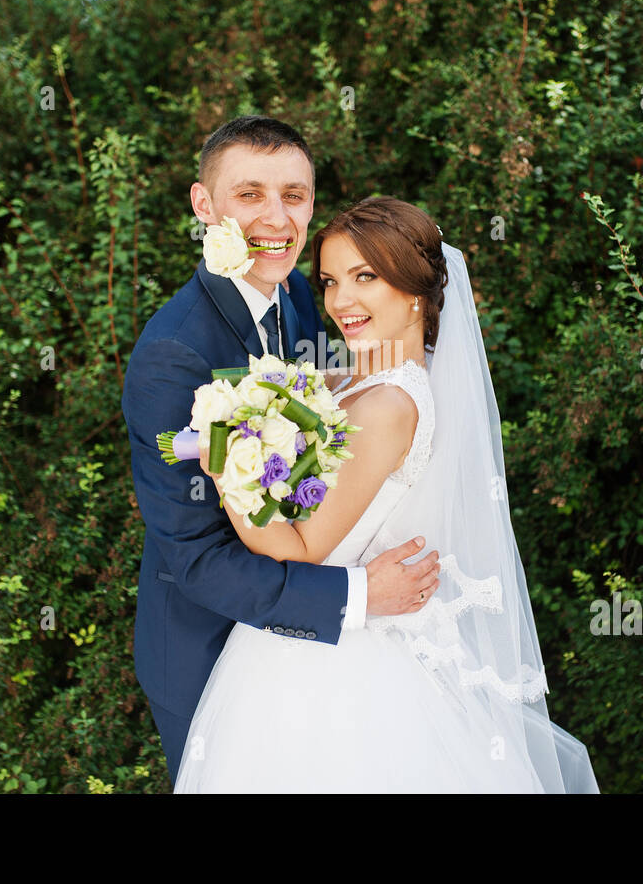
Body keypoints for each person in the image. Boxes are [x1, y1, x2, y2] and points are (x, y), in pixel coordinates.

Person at [174, 196, 599, 793]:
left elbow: (297, 553)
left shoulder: (387, 405)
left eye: (365, 277)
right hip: (313, 640)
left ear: (415, 290)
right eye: (329, 281)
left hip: (326, 662)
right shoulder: (354, 380)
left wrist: (228, 467)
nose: (342, 301)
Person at [121, 117, 442, 783]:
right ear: (203, 206)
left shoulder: (305, 292)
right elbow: (199, 561)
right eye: (250, 194)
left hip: (322, 656)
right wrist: (359, 595)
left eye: (294, 195)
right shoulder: (173, 356)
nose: (277, 216)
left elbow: (356, 405)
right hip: (208, 655)